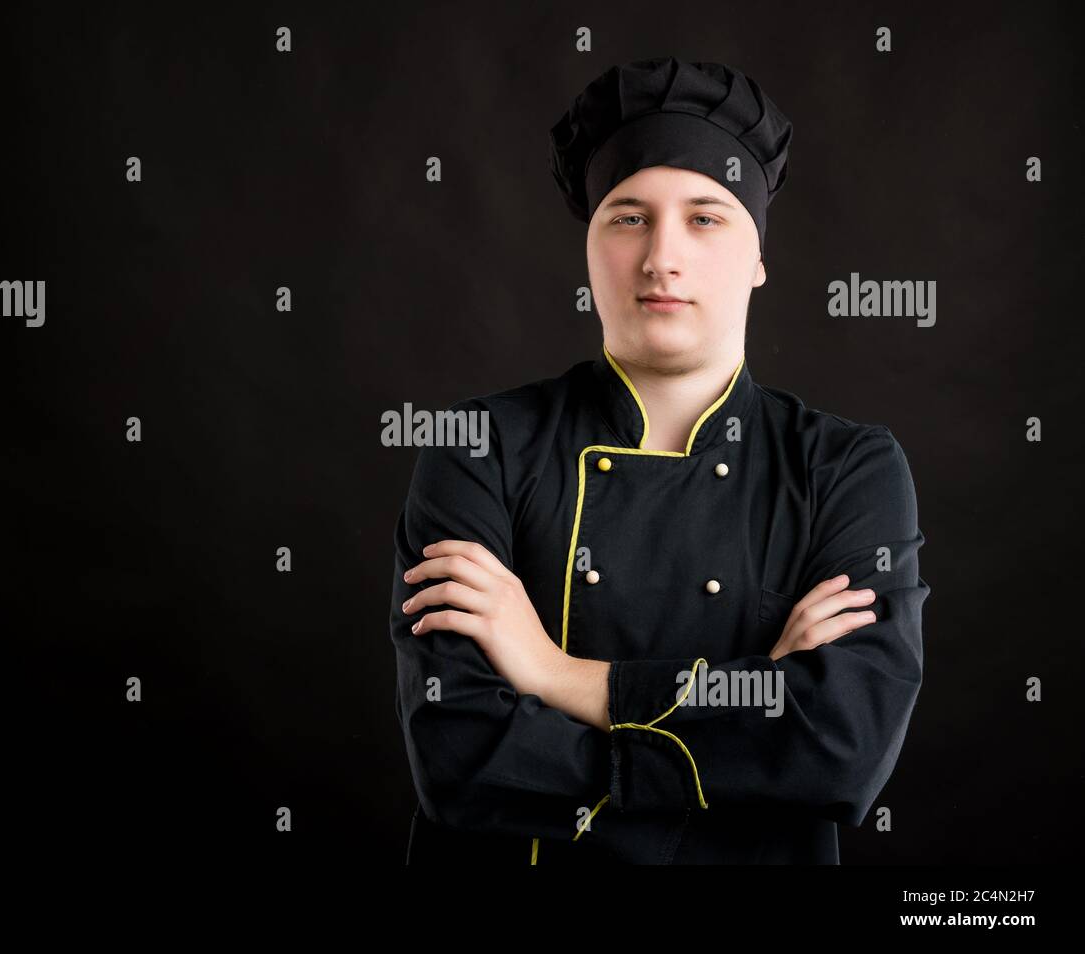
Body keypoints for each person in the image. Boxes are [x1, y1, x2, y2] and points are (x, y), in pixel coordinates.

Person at [389, 56, 928, 865]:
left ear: (758, 261)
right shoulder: (478, 450)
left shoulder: (848, 469)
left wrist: (558, 675)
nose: (660, 258)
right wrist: (752, 697)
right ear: (590, 246)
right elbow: (461, 766)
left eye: (706, 217)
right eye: (628, 216)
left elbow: (842, 751)